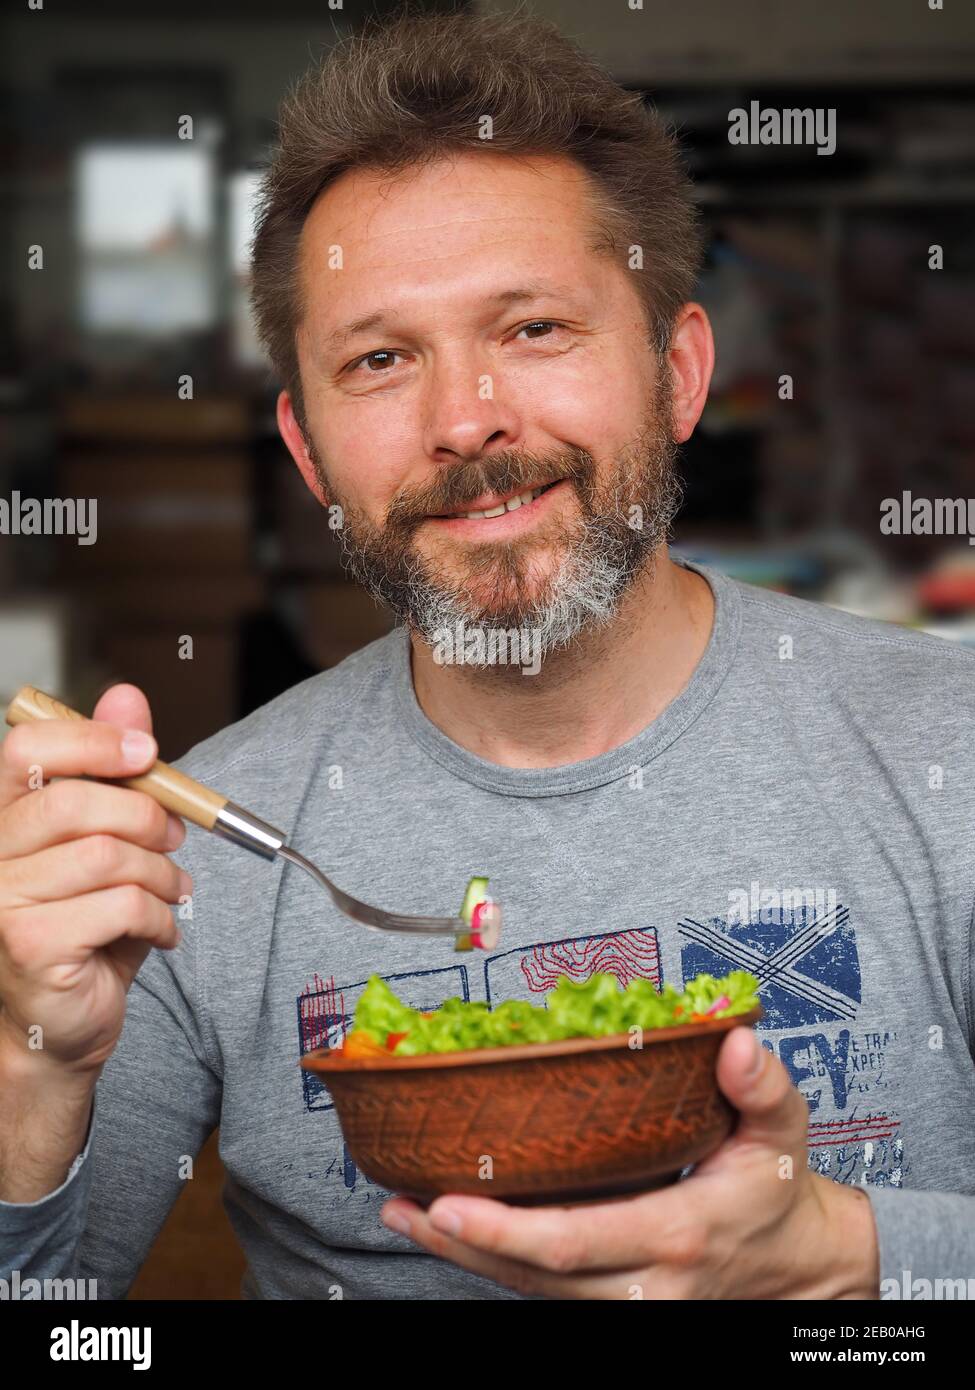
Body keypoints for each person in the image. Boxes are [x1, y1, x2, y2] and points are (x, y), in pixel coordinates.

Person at [1, 9, 973, 1302]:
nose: (465, 420)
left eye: (533, 329)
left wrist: (845, 1256)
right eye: (382, 358)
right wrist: (30, 1064)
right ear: (308, 455)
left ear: (679, 374)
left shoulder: (948, 749)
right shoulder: (188, 871)